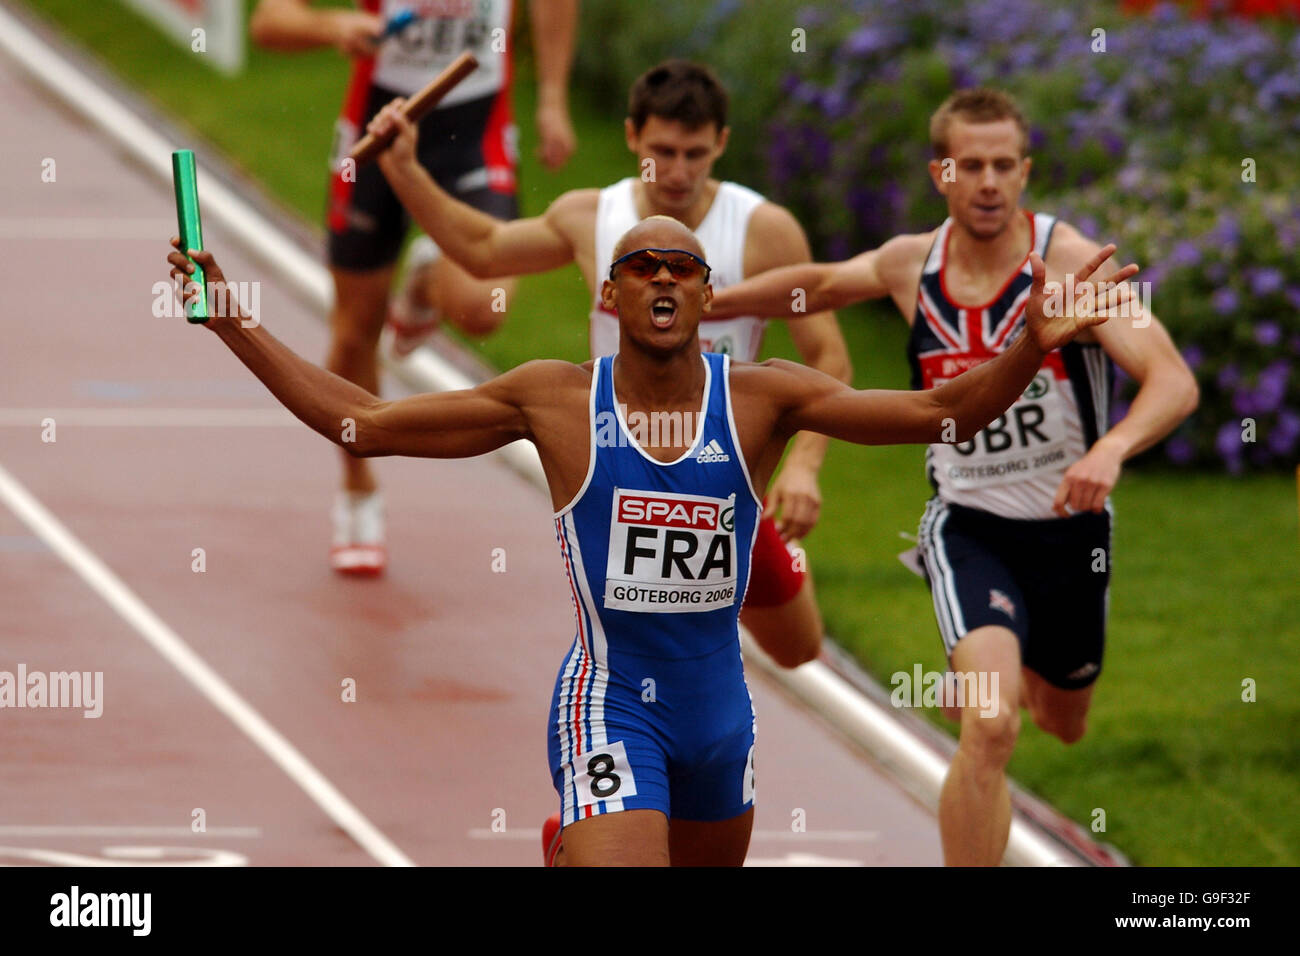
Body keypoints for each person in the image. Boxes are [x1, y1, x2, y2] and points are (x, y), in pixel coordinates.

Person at [165, 213, 1134, 865]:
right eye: (641, 266)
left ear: (708, 299)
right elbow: (362, 423)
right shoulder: (551, 398)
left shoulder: (762, 399)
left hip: (719, 716)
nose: (663, 278)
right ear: (610, 297)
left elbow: (944, 409)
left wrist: (1030, 342)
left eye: (682, 268)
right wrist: (228, 318)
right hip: (611, 702)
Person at [704, 88, 1200, 866]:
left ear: (1026, 170)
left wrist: (1111, 450)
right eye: (971, 165)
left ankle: (997, 655)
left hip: (1073, 536)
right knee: (991, 723)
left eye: (1005, 165)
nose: (990, 182)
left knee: (1061, 719)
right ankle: (978, 658)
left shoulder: (1071, 263)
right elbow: (821, 287)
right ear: (943, 172)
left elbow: (1172, 380)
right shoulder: (914, 264)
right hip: (968, 526)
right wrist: (701, 303)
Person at [365, 59, 852, 670]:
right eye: (662, 151)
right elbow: (487, 252)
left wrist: (803, 467)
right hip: (616, 466)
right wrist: (404, 168)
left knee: (798, 648)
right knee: (649, 644)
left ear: (722, 144)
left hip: (721, 465)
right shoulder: (590, 217)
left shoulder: (764, 232)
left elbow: (826, 351)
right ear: (631, 138)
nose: (677, 172)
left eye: (695, 154)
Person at [250, 0, 578, 575]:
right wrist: (334, 27)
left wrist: (552, 97)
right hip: (377, 130)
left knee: (483, 307)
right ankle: (357, 488)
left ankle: (426, 281)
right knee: (353, 335)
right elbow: (269, 23)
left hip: (474, 132)